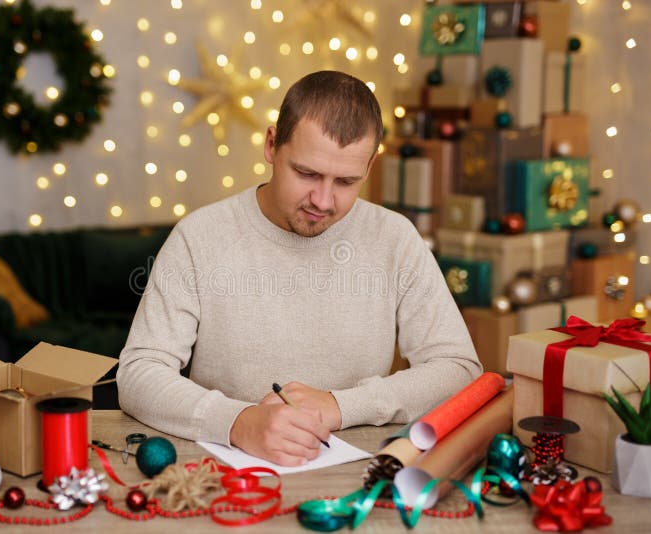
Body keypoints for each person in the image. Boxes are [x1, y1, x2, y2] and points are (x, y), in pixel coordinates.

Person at [118, 70, 481, 466]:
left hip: (355, 477)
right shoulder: (199, 237)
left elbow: (458, 368)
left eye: (345, 180)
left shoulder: (394, 238)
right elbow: (139, 374)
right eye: (307, 173)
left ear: (370, 166)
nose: (323, 201)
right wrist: (238, 421)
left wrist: (339, 406)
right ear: (272, 145)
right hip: (229, 479)